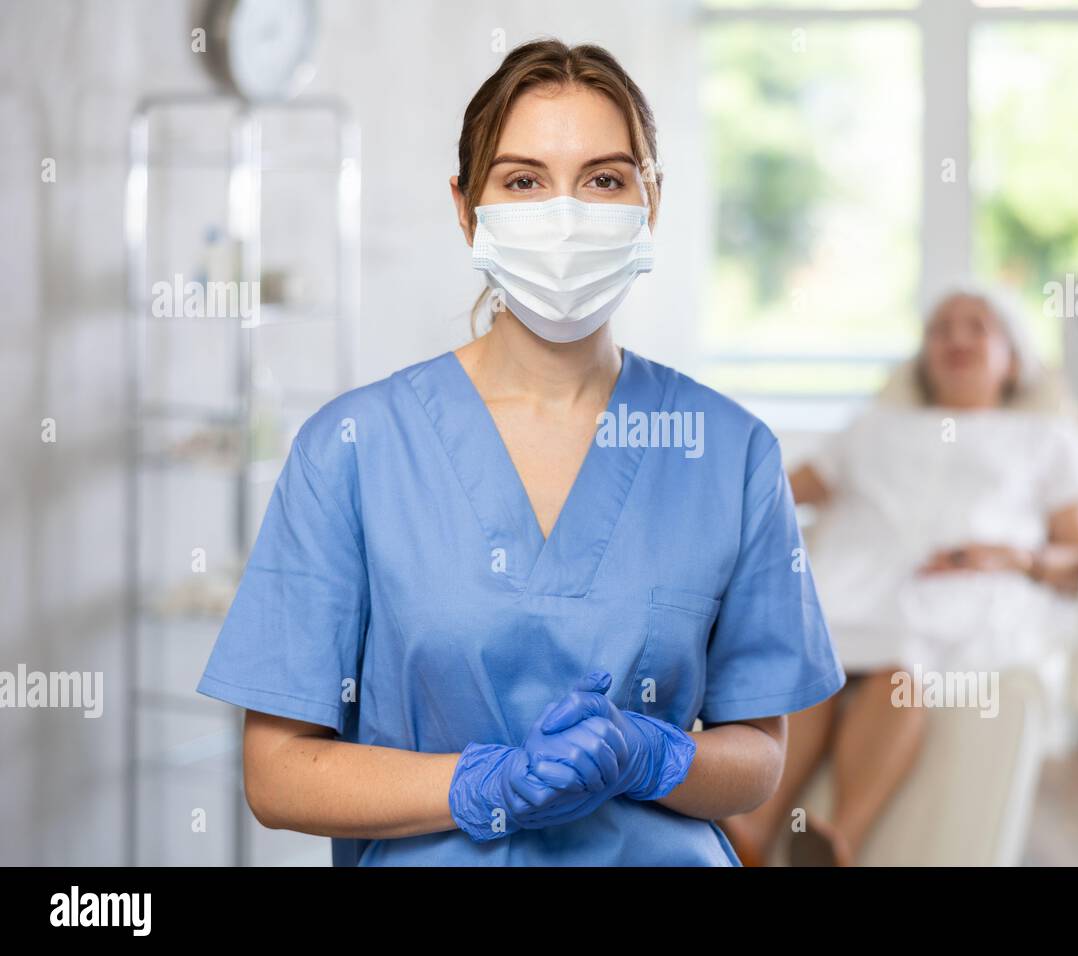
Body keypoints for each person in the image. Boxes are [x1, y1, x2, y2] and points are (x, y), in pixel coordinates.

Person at [195, 38, 845, 866]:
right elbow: (278, 773)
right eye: (524, 180)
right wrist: (479, 785)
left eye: (604, 179)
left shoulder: (729, 452)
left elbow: (759, 755)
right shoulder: (353, 450)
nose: (565, 214)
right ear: (468, 210)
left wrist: (653, 756)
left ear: (651, 202)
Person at [718, 283, 1078, 866]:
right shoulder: (875, 427)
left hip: (960, 586)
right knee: (809, 664)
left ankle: (837, 838)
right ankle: (751, 834)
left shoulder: (1048, 438)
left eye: (977, 326)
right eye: (941, 329)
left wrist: (1014, 557)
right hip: (854, 579)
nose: (956, 339)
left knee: (901, 667)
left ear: (1014, 358)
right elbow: (772, 493)